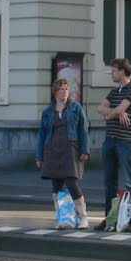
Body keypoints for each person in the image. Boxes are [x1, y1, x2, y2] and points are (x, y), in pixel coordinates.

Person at [96, 57, 131, 231]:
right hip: (110, 139)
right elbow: (100, 108)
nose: (111, 73)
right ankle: (111, 218)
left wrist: (111, 114)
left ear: (123, 71)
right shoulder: (114, 92)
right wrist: (115, 113)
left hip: (125, 141)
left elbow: (115, 110)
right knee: (109, 182)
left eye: (114, 70)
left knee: (130, 182)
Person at [36, 78, 89, 229]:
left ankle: (82, 216)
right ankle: (61, 217)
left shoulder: (75, 108)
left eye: (66, 89)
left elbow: (83, 130)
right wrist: (39, 156)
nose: (65, 92)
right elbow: (42, 134)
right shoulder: (48, 112)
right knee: (56, 185)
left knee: (72, 182)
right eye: (61, 90)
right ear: (55, 92)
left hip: (71, 149)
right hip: (52, 150)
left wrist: (85, 150)